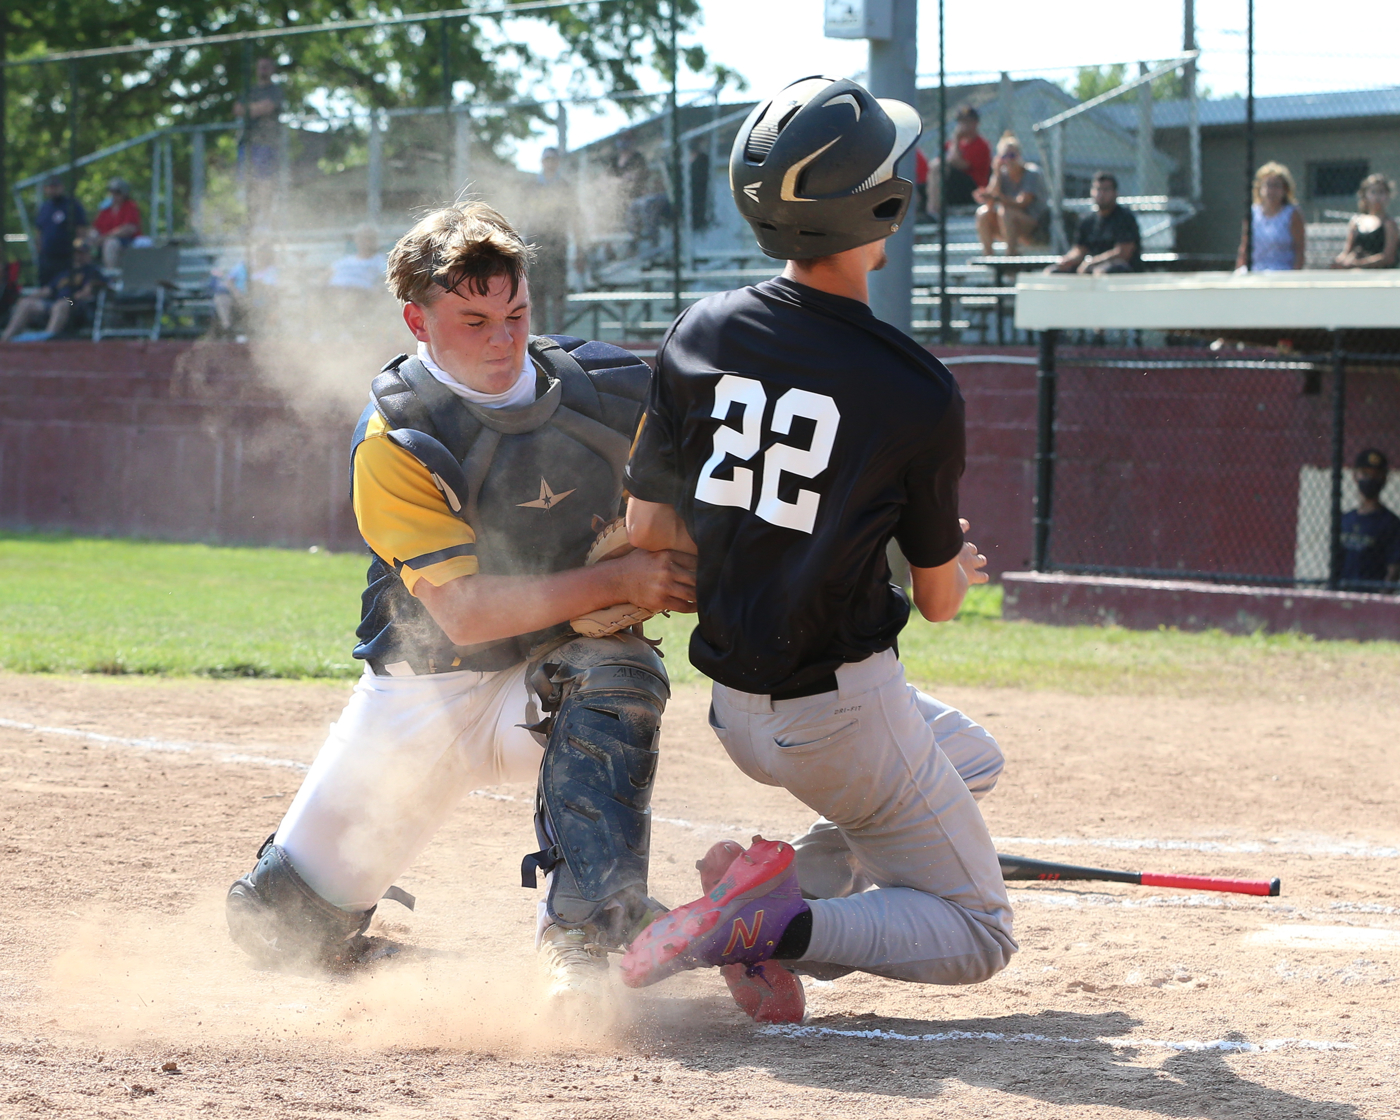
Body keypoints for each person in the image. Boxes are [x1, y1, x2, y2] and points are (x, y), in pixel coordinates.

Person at [223, 200, 697, 1005]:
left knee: (618, 676)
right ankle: (345, 934)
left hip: (543, 691)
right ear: (418, 318)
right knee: (278, 931)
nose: (503, 339)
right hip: (423, 700)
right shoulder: (399, 437)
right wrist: (619, 581)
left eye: (515, 313)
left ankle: (582, 931)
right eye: (473, 319)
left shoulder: (613, 393)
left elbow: (691, 521)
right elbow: (467, 613)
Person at [619, 76, 1016, 1025]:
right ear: (883, 203)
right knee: (980, 932)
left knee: (972, 758)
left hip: (737, 708)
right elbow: (941, 602)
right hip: (838, 713)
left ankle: (778, 881)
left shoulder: (701, 329)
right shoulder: (912, 386)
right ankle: (775, 924)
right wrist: (945, 568)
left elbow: (648, 529)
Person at [521, 147, 577, 334]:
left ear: (557, 162)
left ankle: (559, 338)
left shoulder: (565, 187)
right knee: (537, 294)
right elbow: (522, 216)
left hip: (558, 244)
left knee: (558, 293)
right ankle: (539, 337)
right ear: (542, 162)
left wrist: (579, 249)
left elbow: (574, 216)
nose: (550, 163)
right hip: (535, 243)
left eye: (553, 159)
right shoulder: (531, 186)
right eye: (547, 159)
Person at [2, 241, 104, 342]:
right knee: (26, 304)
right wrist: (29, 297)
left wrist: (77, 296)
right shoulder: (65, 273)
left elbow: (88, 292)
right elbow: (48, 290)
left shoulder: (93, 271)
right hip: (55, 302)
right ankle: (6, 340)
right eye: (76, 253)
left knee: (61, 303)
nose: (78, 256)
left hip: (75, 304)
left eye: (81, 253)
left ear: (87, 254)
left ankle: (48, 339)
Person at [1047, 172, 1141, 274]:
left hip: (1119, 271)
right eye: (1097, 189)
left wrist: (1093, 262)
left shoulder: (1125, 218)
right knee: (1054, 271)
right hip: (1091, 267)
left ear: (1115, 193)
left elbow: (1123, 253)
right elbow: (1079, 250)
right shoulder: (1087, 220)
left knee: (1102, 271)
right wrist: (1067, 260)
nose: (1100, 194)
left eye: (1105, 190)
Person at [974, 132, 1048, 256]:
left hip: (1035, 226)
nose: (1008, 160)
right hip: (1007, 225)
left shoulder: (1031, 173)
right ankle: (988, 257)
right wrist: (996, 173)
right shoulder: (1001, 174)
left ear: (1019, 156)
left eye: (1012, 155)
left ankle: (1011, 255)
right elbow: (990, 203)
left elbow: (1022, 202)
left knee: (1006, 212)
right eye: (1004, 157)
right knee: (983, 213)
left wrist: (997, 199)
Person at [1339, 448, 1400, 588]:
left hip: (1370, 596)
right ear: (1355, 476)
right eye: (1365, 474)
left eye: (1376, 475)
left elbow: (1394, 568)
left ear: (1384, 479)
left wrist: (1380, 598)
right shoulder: (1345, 519)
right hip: (1343, 594)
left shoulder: (1391, 523)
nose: (1370, 480)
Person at [234, 57, 285, 225]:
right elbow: (237, 109)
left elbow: (267, 107)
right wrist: (256, 108)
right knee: (248, 185)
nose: (263, 69)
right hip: (247, 144)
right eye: (260, 66)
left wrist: (249, 109)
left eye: (266, 66)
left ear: (272, 69)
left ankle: (265, 220)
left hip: (266, 143)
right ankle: (251, 221)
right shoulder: (249, 90)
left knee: (265, 183)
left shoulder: (275, 90)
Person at [1236, 161, 1305, 271]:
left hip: (1282, 273)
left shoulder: (1292, 214)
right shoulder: (1252, 213)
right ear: (1260, 188)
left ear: (1285, 190)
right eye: (1268, 185)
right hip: (1255, 272)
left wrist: (1294, 278)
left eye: (1276, 186)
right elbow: (1244, 247)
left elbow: (1299, 250)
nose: (1271, 191)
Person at [927, 105, 992, 217]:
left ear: (976, 123)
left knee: (939, 167)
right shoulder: (952, 144)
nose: (964, 126)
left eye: (968, 122)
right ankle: (931, 209)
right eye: (961, 122)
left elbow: (960, 165)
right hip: (953, 187)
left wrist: (956, 139)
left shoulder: (981, 145)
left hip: (973, 189)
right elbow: (940, 160)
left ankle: (933, 211)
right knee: (935, 167)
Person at [1333, 174, 1399, 270]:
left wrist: (1359, 264)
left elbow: (1388, 258)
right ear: (1364, 196)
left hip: (1382, 275)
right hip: (1355, 274)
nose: (1377, 197)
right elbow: (1347, 252)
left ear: (1388, 195)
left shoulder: (1389, 224)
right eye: (1373, 192)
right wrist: (1339, 262)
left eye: (1381, 192)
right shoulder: (1356, 222)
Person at [34, 176, 89, 286]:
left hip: (66, 258)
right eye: (50, 187)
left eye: (55, 187)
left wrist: (78, 250)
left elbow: (81, 230)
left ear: (61, 187)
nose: (52, 190)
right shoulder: (45, 207)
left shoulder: (71, 205)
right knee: (45, 287)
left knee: (63, 289)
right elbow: (39, 231)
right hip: (47, 258)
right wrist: (39, 251)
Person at [92, 178, 143, 269]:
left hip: (126, 241)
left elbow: (129, 228)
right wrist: (93, 237)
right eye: (112, 192)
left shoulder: (130, 206)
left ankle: (112, 275)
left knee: (111, 244)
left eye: (117, 192)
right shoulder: (106, 209)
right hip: (104, 239)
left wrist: (106, 237)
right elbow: (96, 227)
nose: (114, 195)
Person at [327, 224, 387, 290]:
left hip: (360, 293)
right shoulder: (345, 260)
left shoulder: (380, 260)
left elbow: (386, 282)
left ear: (375, 241)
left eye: (368, 238)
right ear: (356, 240)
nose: (364, 241)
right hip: (334, 291)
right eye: (361, 238)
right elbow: (325, 276)